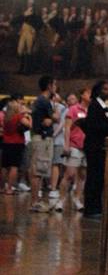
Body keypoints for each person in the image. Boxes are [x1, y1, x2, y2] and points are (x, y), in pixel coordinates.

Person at [82, 81, 108, 218]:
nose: (107, 91)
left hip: (104, 148)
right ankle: (91, 208)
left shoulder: (106, 107)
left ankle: (98, 206)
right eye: (105, 89)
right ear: (98, 90)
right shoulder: (95, 106)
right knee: (94, 178)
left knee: (100, 179)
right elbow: (93, 126)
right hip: (95, 147)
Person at [29, 75, 58, 214]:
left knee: (39, 171)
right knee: (37, 171)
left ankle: (36, 201)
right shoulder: (44, 101)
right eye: (54, 85)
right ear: (49, 86)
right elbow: (55, 118)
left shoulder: (40, 101)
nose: (56, 88)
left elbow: (49, 120)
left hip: (40, 138)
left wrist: (50, 120)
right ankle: (34, 202)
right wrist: (56, 106)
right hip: (42, 138)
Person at [59, 89, 88, 211]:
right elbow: (67, 128)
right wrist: (66, 145)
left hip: (87, 146)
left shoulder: (92, 110)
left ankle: (77, 198)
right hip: (74, 144)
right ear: (82, 95)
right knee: (69, 174)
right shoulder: (74, 109)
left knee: (82, 175)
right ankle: (61, 200)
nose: (90, 96)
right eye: (88, 93)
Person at [1, 96, 30, 195]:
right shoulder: (18, 117)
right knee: (14, 166)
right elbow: (29, 125)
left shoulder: (6, 118)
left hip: (6, 142)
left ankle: (2, 187)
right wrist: (28, 116)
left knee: (4, 166)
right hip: (17, 143)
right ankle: (9, 188)